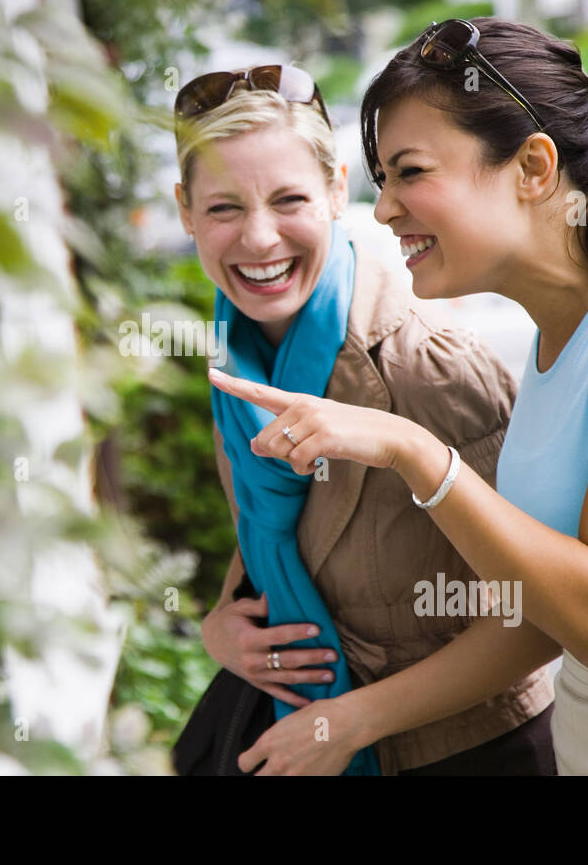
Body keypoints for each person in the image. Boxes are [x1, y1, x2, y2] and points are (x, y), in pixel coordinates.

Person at [208, 17, 588, 775]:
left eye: (410, 172)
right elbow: (543, 605)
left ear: (533, 167)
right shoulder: (559, 333)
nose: (386, 209)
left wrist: (413, 450)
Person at [173, 65, 560, 775]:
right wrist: (221, 626)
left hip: (466, 755)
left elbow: (538, 619)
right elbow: (277, 531)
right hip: (296, 728)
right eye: (224, 208)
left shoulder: (433, 370)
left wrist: (346, 725)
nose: (259, 240)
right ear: (184, 212)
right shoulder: (241, 352)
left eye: (288, 199)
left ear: (335, 191)